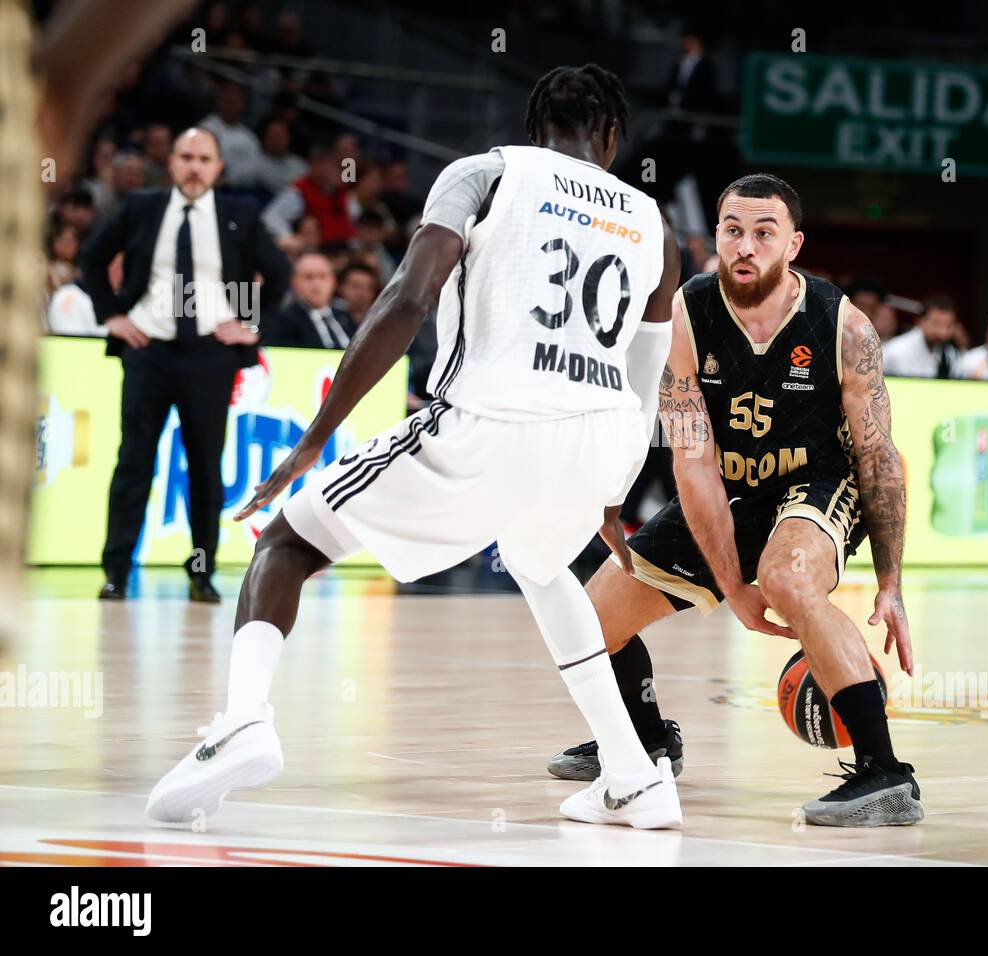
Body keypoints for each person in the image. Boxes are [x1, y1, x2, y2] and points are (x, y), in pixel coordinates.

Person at [147, 64, 684, 830]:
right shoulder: (653, 224)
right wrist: (609, 490)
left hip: (490, 418)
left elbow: (408, 297)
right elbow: (646, 376)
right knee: (541, 565)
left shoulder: (489, 173)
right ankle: (633, 773)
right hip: (597, 438)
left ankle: (242, 722)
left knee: (289, 541)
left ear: (538, 131)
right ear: (610, 137)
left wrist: (317, 438)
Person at [546, 174, 923, 828]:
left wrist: (890, 581)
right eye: (732, 230)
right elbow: (693, 463)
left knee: (785, 575)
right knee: (589, 619)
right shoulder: (685, 316)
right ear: (715, 235)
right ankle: (645, 744)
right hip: (733, 487)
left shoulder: (843, 325)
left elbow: (879, 457)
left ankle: (885, 774)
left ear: (793, 245)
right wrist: (729, 586)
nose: (744, 246)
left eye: (763, 233)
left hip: (821, 481)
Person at [79, 127, 290, 602]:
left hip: (210, 356)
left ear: (218, 167)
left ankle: (201, 571)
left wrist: (254, 327)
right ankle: (116, 572)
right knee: (133, 461)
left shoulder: (239, 215)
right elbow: (93, 258)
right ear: (171, 162)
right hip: (149, 348)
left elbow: (278, 273)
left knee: (204, 466)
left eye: (204, 158)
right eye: (186, 156)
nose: (195, 166)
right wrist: (112, 316)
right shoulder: (142, 208)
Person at [262, 253, 355, 349]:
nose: (316, 283)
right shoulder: (283, 322)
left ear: (334, 282)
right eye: (308, 277)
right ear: (294, 282)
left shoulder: (344, 316)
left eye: (323, 277)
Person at [882, 293, 962, 378]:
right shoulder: (897, 350)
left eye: (948, 326)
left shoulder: (950, 352)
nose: (942, 332)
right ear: (920, 321)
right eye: (936, 324)